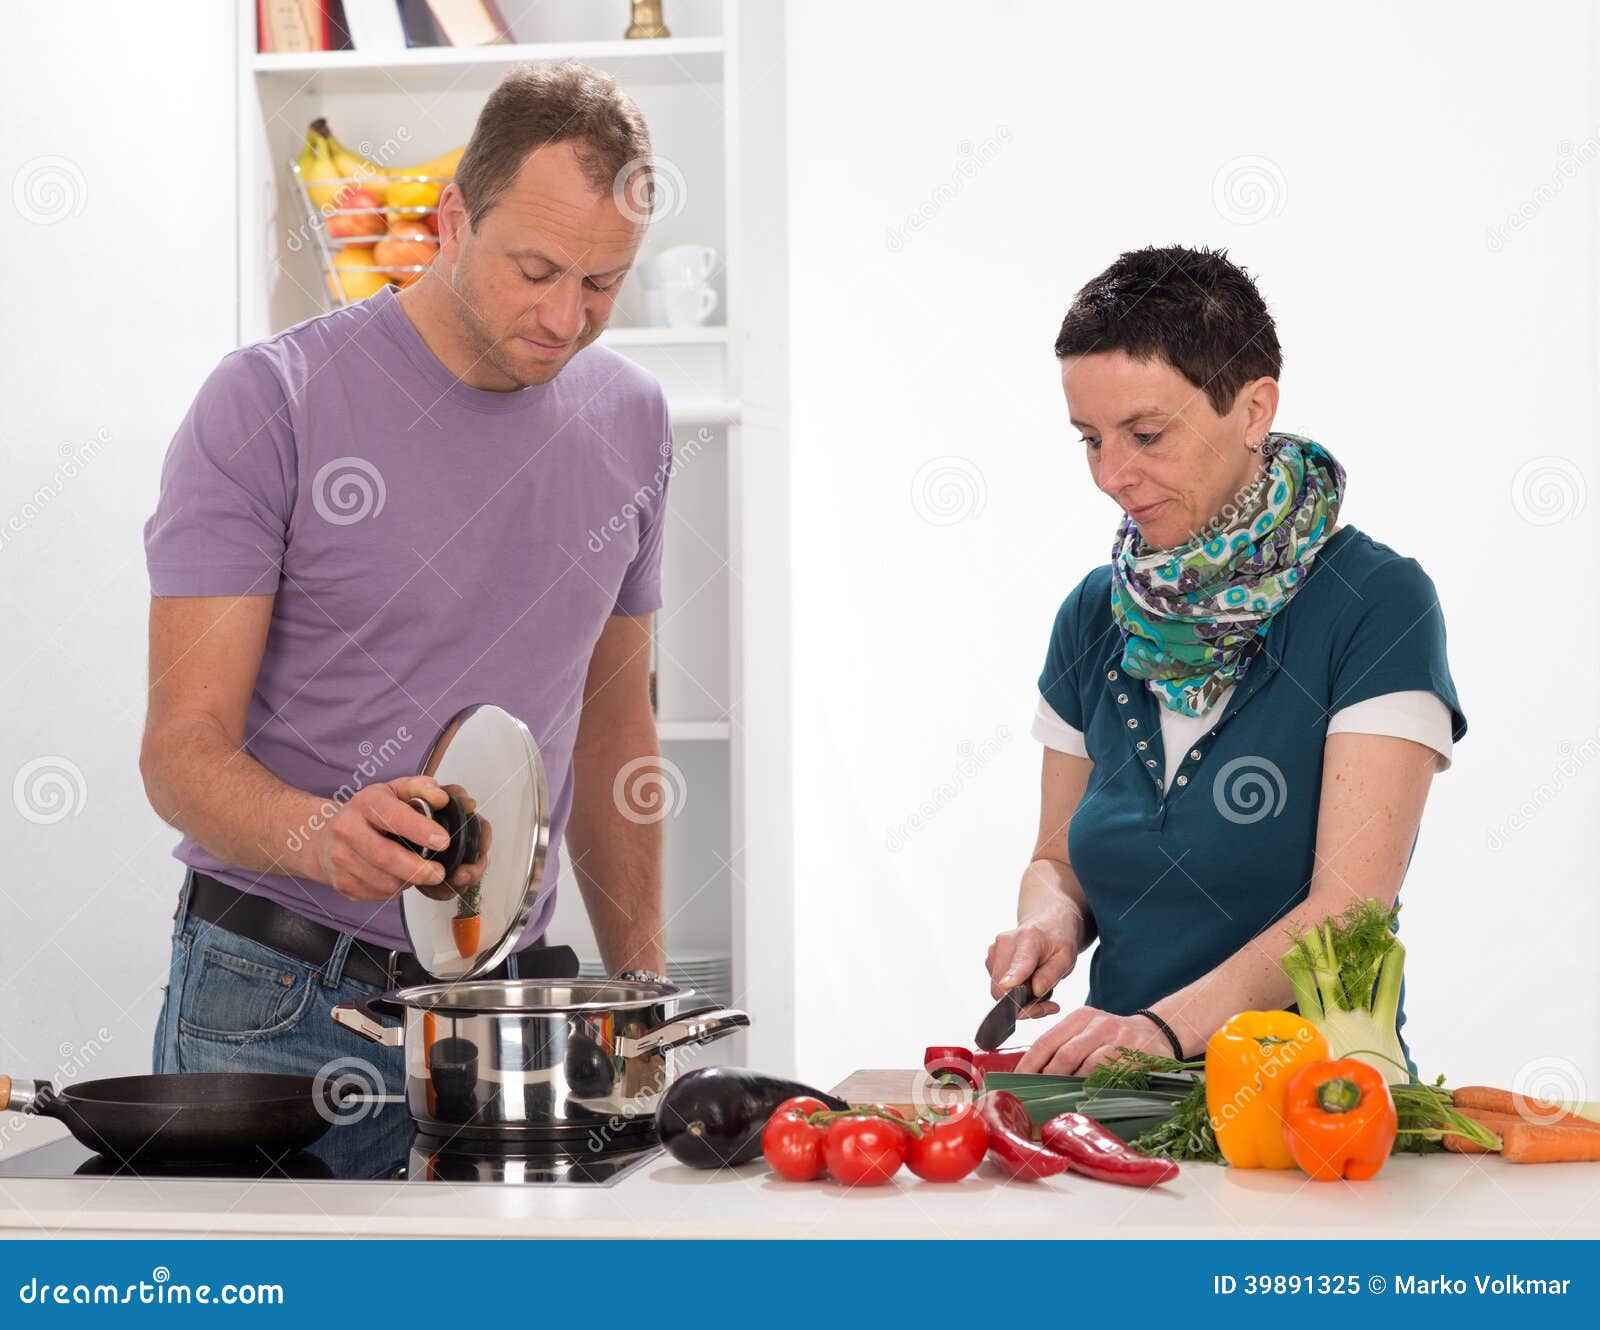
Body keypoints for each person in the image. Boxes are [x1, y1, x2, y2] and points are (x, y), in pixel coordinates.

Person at [141, 61, 673, 1121]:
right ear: (451, 220)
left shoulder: (631, 418)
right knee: (270, 1295)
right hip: (274, 999)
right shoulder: (269, 402)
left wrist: (640, 1000)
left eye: (602, 283)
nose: (566, 318)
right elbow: (180, 751)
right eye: (536, 269)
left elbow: (617, 731)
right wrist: (320, 834)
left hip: (507, 1013)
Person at [987, 245, 1463, 1075]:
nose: (1111, 475)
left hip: (1316, 1111)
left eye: (1145, 434)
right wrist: (1048, 923)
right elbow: (1058, 860)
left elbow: (1350, 912)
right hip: (1117, 1102)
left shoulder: (1375, 604)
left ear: (1252, 409)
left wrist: (1164, 1032)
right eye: (1090, 440)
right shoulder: (1093, 616)